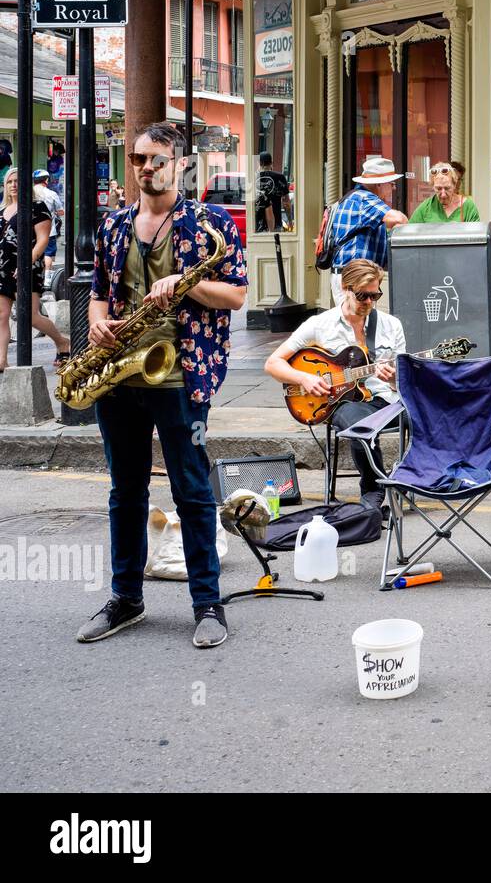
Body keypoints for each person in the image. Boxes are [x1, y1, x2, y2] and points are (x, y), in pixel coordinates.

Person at [75, 121, 248, 650]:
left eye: (155, 159)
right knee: (124, 492)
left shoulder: (210, 223)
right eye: (137, 160)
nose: (145, 168)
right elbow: (102, 293)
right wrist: (99, 323)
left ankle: (208, 605)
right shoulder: (113, 225)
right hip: (120, 374)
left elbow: (237, 296)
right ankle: (126, 598)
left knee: (192, 492)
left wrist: (188, 286)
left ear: (180, 164)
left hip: (181, 374)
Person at [263, 258, 404, 508]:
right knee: (360, 426)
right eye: (363, 296)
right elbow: (273, 363)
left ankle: (428, 478)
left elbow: (404, 380)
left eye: (376, 295)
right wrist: (305, 377)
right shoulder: (320, 324)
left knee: (431, 412)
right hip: (342, 403)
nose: (370, 302)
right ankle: (374, 489)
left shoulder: (391, 325)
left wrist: (392, 376)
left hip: (385, 400)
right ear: (346, 289)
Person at [0, 169, 71, 370]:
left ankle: (62, 341)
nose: (14, 185)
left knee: (29, 315)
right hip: (2, 269)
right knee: (1, 315)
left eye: (17, 181)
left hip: (27, 267)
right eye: (9, 182)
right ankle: (2, 360)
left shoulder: (37, 207)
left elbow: (42, 240)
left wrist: (25, 264)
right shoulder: (2, 210)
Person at [325, 156, 407, 307]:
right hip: (356, 277)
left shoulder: (355, 198)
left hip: (352, 275)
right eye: (392, 183)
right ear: (379, 184)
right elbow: (399, 219)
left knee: (356, 325)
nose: (394, 188)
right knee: (356, 325)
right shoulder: (365, 199)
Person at [409, 161, 480, 224]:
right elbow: (410, 233)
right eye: (438, 189)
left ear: (455, 185)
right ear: (433, 187)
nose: (443, 194)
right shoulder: (426, 207)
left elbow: (476, 237)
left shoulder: (468, 207)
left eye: (447, 188)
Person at [32, 170, 63, 284]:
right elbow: (60, 212)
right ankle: (47, 280)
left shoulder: (28, 192)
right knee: (48, 254)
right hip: (48, 230)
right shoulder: (51, 193)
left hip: (32, 230)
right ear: (46, 180)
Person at [254, 151, 291, 233]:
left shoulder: (253, 178)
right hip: (276, 225)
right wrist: (290, 221)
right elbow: (286, 203)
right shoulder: (280, 177)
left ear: (259, 163)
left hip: (256, 226)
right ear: (271, 162)